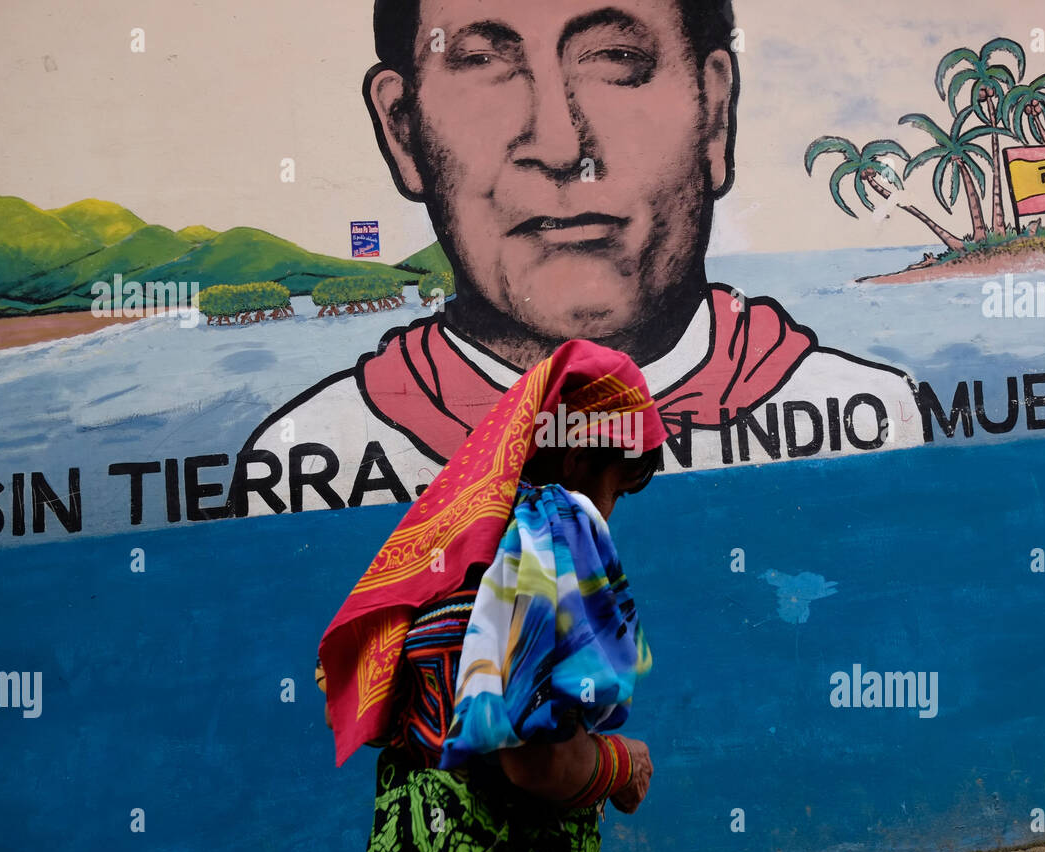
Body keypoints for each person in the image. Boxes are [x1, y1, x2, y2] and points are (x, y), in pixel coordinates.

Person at [234, 0, 924, 518]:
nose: (562, 145)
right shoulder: (304, 463)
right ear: (403, 131)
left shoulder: (865, 414)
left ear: (714, 111)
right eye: (481, 64)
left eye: (617, 62)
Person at [317, 339, 665, 852]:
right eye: (616, 489)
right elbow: (536, 763)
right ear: (575, 459)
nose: (610, 512)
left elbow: (359, 706)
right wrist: (621, 761)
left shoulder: (449, 535)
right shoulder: (549, 532)